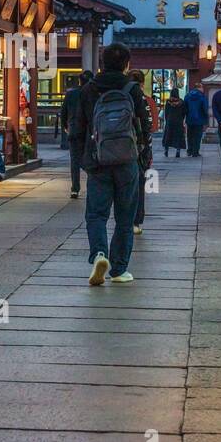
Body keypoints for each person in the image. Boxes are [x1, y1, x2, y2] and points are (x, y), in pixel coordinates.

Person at [69, 43, 151, 285]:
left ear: (101, 63)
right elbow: (145, 126)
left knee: (96, 214)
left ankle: (99, 254)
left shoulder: (88, 89)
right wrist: (142, 153)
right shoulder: (133, 89)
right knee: (125, 216)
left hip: (98, 160)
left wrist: (85, 159)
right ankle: (119, 270)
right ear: (127, 64)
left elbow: (78, 127)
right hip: (127, 160)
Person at [128, 70, 154, 234]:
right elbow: (146, 123)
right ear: (142, 83)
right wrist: (146, 145)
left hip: (116, 145)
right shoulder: (141, 97)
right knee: (139, 183)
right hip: (137, 145)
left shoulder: (118, 93)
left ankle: (125, 219)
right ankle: (137, 221)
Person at [60, 70, 93, 198]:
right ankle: (92, 182)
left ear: (79, 81)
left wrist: (66, 127)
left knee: (74, 160)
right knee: (90, 158)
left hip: (74, 130)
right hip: (88, 131)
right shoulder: (92, 94)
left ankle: (75, 188)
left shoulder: (71, 94)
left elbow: (63, 112)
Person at [183, 84, 208, 156]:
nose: (203, 89)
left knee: (190, 136)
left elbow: (185, 108)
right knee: (197, 136)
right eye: (202, 87)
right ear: (199, 88)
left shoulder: (187, 96)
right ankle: (195, 151)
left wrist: (185, 117)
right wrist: (206, 117)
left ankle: (189, 150)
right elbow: (205, 108)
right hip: (199, 120)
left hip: (189, 119)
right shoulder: (202, 96)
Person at [161, 88, 186, 157]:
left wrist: (167, 119)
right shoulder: (181, 102)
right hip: (178, 121)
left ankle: (166, 150)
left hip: (170, 121)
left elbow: (166, 112)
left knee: (168, 136)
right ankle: (178, 151)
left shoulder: (168, 102)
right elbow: (184, 112)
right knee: (178, 136)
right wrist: (182, 119)